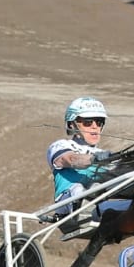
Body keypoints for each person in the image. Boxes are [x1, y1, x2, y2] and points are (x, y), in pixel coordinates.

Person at [47, 96, 123, 224]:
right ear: (72, 124)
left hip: (97, 203)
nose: (94, 127)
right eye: (88, 122)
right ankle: (84, 210)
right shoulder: (61, 145)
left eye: (99, 122)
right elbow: (70, 159)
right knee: (83, 188)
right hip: (67, 202)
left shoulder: (103, 153)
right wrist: (94, 159)